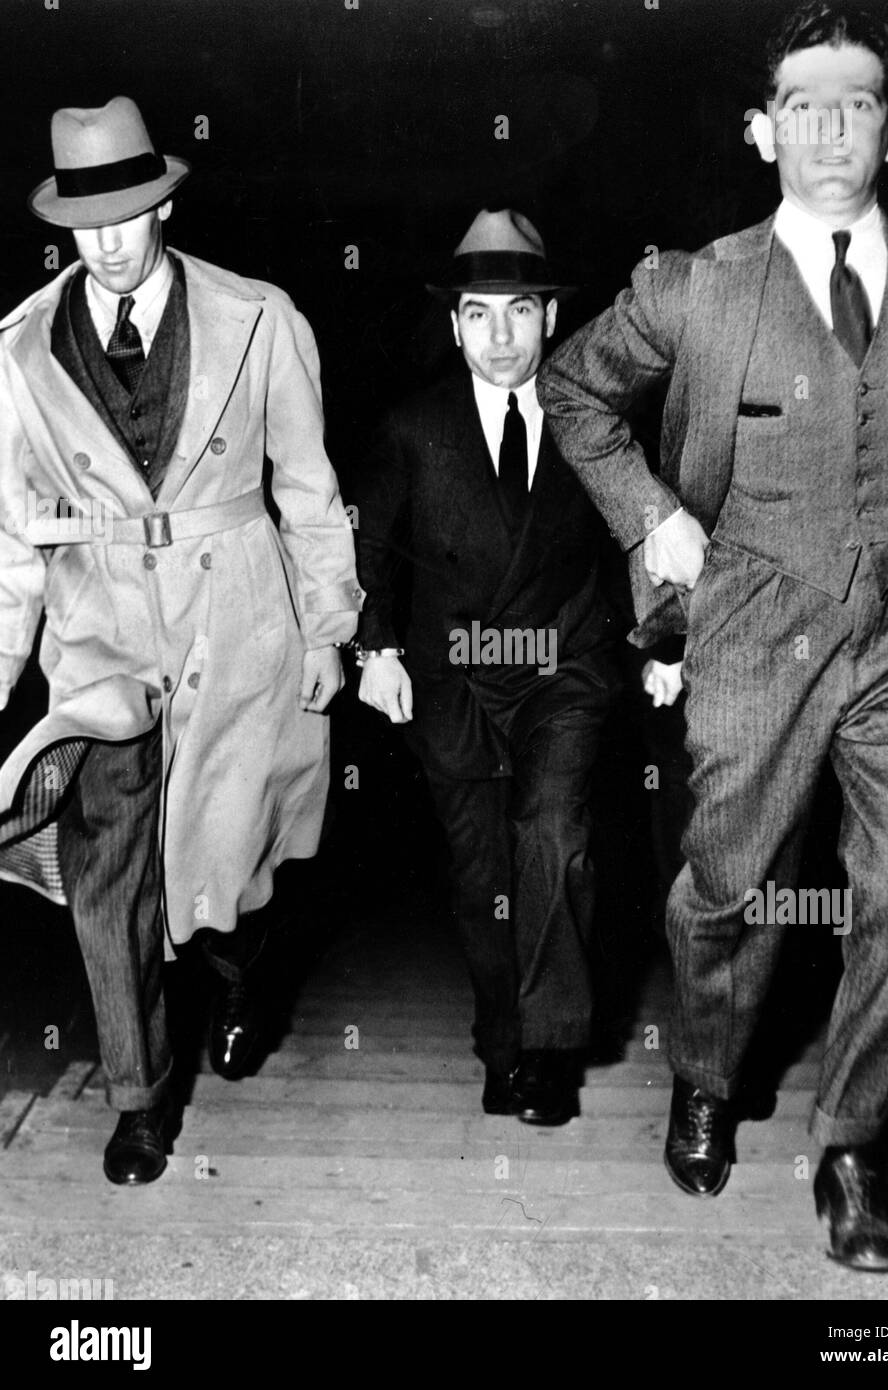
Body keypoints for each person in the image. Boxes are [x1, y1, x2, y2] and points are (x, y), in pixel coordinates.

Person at [538, 2, 888, 1270]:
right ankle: (704, 1072)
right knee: (727, 889)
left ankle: (852, 1144)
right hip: (753, 626)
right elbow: (572, 389)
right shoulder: (693, 287)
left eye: (856, 104)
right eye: (805, 106)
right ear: (763, 131)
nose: (832, 130)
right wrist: (652, 518)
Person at [0, 97, 362, 1184]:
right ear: (61, 222)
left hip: (239, 625)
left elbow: (308, 491)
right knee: (106, 869)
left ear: (162, 203)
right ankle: (140, 1094)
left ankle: (244, 974)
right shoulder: (18, 353)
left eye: (128, 216)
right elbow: (12, 540)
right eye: (84, 224)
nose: (107, 245)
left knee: (228, 874)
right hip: (101, 636)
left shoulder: (260, 321)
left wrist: (327, 628)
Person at [355, 209, 620, 1124]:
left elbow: (645, 527)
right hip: (453, 678)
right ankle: (501, 1045)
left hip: (563, 665)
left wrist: (660, 641)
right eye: (479, 314)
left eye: (518, 313)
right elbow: (369, 545)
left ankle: (550, 1048)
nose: (499, 337)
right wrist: (375, 647)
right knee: (481, 878)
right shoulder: (411, 427)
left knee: (551, 830)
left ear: (550, 318)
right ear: (453, 323)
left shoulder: (596, 417)